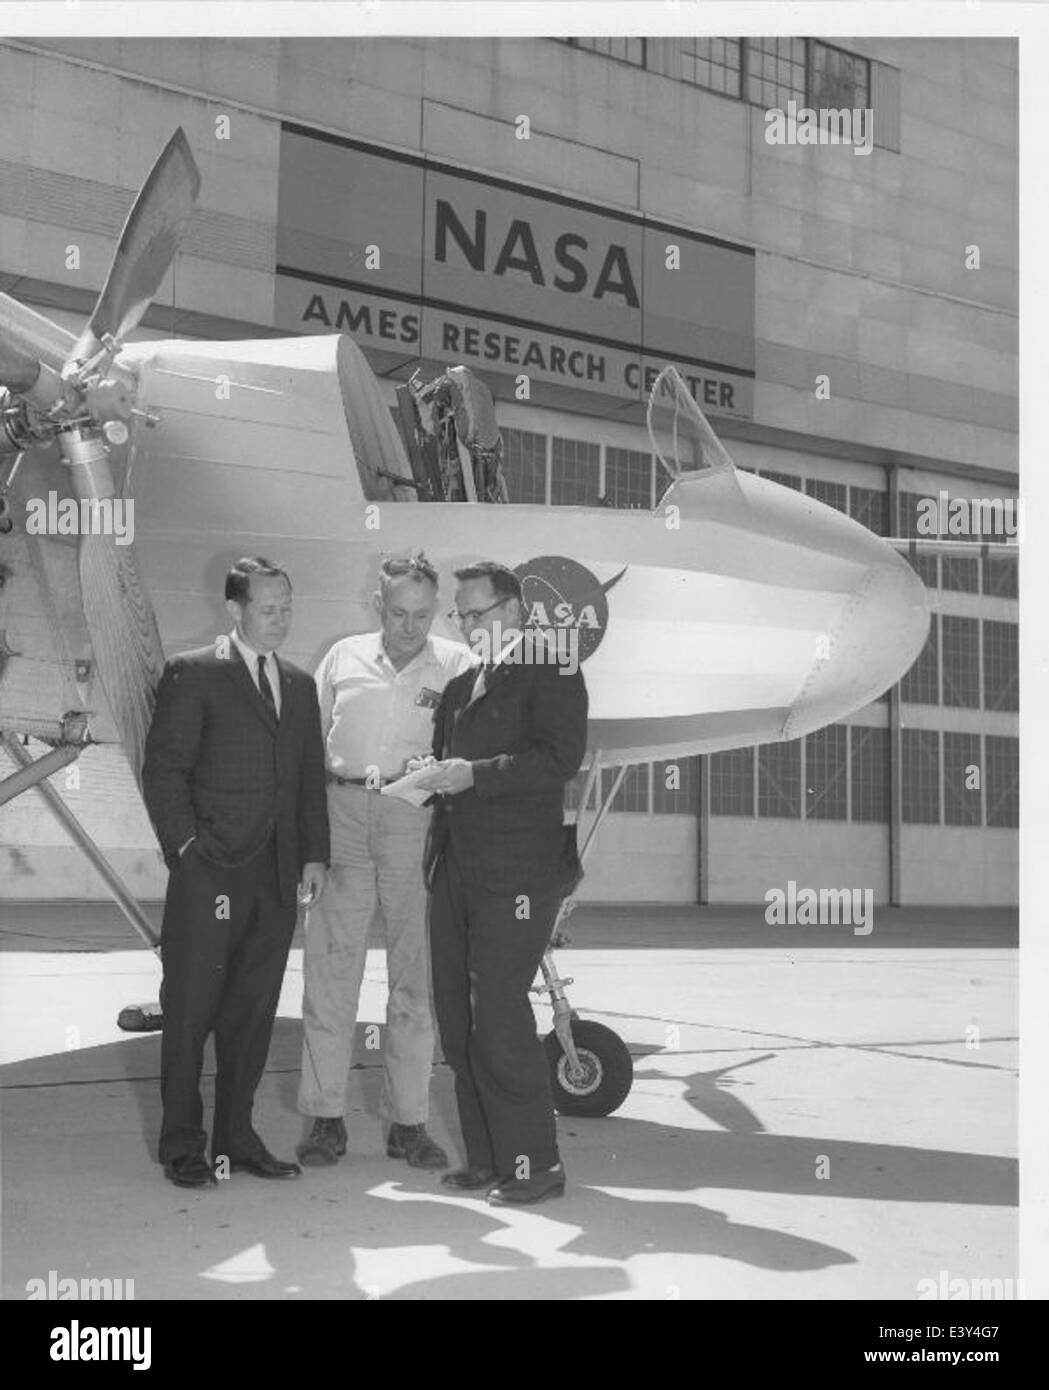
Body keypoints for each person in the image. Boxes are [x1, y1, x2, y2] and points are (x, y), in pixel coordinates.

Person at [142, 557, 329, 1188]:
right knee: (191, 1013)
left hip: (276, 878)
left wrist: (313, 854)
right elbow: (164, 771)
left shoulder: (300, 686)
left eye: (287, 607)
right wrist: (186, 851)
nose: (280, 619)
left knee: (252, 1016)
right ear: (236, 610)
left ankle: (237, 1139)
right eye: (268, 608)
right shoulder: (193, 674)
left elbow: (307, 780)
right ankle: (183, 1147)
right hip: (209, 874)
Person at [297, 553, 476, 1169]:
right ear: (378, 604)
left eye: (423, 616)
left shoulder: (458, 665)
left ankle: (409, 1124)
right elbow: (306, 747)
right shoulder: (342, 657)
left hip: (413, 822)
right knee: (329, 973)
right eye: (398, 613)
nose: (410, 627)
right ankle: (324, 1119)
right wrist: (307, 841)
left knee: (415, 981)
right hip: (342, 814)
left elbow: (471, 755)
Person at [417, 561, 588, 1205]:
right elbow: (451, 767)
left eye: (476, 612)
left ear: (514, 612)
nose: (465, 624)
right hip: (457, 867)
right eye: (459, 615)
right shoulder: (464, 684)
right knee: (458, 1017)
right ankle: (486, 1158)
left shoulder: (553, 668)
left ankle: (535, 1166)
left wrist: (474, 774)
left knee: (499, 1013)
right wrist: (430, 775)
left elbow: (558, 758)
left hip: (518, 872)